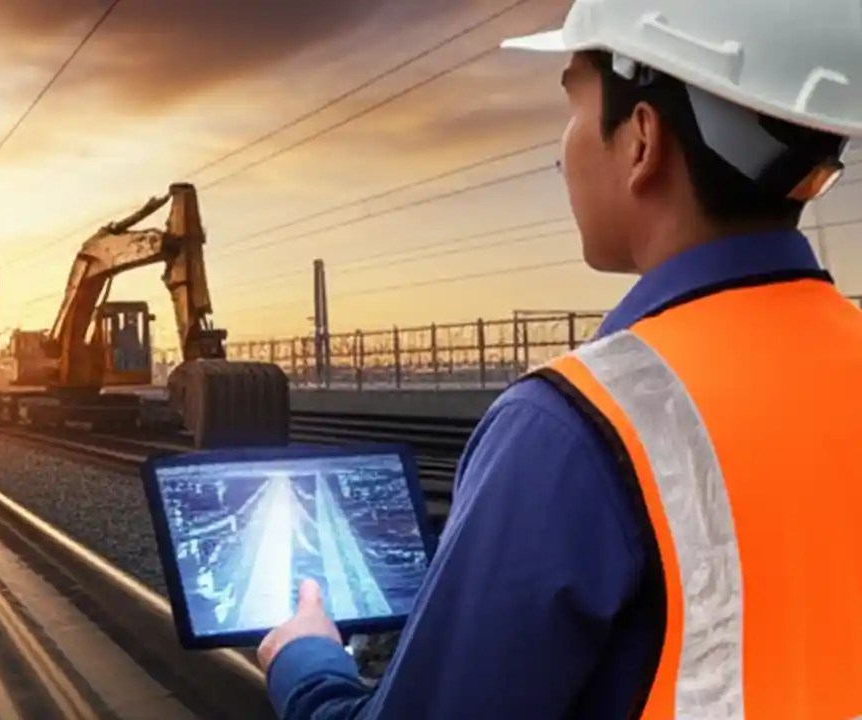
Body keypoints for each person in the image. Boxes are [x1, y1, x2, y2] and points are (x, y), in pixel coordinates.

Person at [256, 0, 862, 717]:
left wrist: (308, 665)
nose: (561, 149)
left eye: (573, 107)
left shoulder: (573, 429)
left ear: (642, 140)